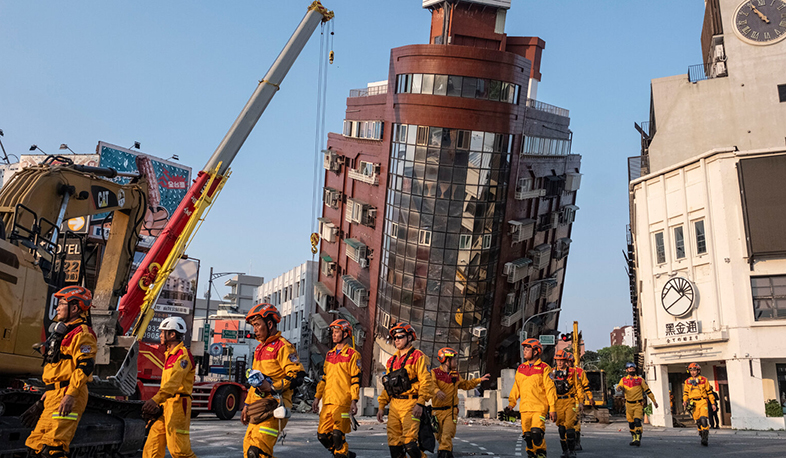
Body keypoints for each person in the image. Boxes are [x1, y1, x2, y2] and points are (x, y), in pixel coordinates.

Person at [24, 286, 98, 458]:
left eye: (61, 303)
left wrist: (70, 395)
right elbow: (59, 367)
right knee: (34, 447)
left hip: (68, 393)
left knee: (53, 450)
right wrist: (49, 393)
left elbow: (85, 366)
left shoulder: (83, 334)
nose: (57, 308)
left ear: (74, 308)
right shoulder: (64, 333)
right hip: (54, 394)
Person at [241, 303, 306, 458]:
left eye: (257, 325)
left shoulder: (283, 347)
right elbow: (255, 381)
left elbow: (298, 376)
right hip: (258, 407)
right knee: (249, 451)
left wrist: (272, 388)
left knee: (256, 452)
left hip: (275, 407)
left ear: (269, 324)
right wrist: (247, 405)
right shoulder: (259, 349)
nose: (254, 329)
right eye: (253, 326)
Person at [142, 317, 198, 458]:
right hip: (165, 405)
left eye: (163, 332)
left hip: (178, 406)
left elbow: (173, 383)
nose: (160, 335)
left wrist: (155, 400)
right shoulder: (170, 355)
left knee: (179, 451)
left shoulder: (182, 356)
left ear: (172, 334)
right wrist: (159, 402)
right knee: (152, 447)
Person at [377, 322, 434, 458]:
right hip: (395, 406)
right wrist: (381, 406)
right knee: (394, 446)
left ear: (409, 338)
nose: (396, 340)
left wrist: (420, 403)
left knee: (410, 445)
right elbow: (388, 386)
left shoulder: (418, 357)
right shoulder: (391, 361)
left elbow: (426, 382)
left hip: (411, 404)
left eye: (400, 337)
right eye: (395, 338)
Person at [312, 319, 361, 458]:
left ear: (346, 333)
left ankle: (341, 454)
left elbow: (355, 380)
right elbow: (324, 379)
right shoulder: (329, 355)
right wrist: (317, 398)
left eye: (337, 332)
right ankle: (343, 454)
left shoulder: (353, 355)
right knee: (322, 435)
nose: (334, 335)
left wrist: (354, 400)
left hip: (343, 401)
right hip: (328, 402)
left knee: (337, 434)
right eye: (333, 332)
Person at [431, 347, 490, 458]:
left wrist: (478, 380)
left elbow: (466, 385)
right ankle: (446, 450)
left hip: (450, 411)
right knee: (439, 436)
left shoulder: (455, 375)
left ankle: (444, 453)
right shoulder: (435, 373)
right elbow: (430, 385)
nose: (456, 362)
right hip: (436, 412)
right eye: (453, 359)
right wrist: (437, 391)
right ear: (446, 360)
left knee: (447, 434)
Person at [506, 338, 557, 458]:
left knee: (536, 433)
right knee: (528, 436)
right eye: (524, 349)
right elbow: (516, 388)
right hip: (524, 409)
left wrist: (553, 408)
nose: (524, 351)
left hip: (539, 408)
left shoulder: (545, 368)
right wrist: (511, 404)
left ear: (535, 351)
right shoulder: (521, 368)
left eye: (527, 349)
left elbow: (550, 389)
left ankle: (541, 453)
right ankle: (531, 454)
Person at [616, 362, 658, 447]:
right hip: (628, 405)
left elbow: (647, 391)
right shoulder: (623, 380)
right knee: (631, 423)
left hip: (638, 404)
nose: (632, 370)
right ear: (627, 370)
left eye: (633, 369)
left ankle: (638, 438)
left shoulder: (640, 380)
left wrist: (654, 401)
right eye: (630, 369)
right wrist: (619, 388)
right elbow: (619, 386)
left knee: (637, 421)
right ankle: (634, 438)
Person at [550, 350, 583, 458]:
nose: (559, 363)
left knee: (569, 425)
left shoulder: (573, 372)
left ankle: (572, 450)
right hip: (558, 402)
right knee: (561, 427)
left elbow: (578, 387)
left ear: (566, 361)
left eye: (562, 360)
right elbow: (548, 388)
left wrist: (581, 401)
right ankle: (565, 450)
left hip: (570, 401)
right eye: (558, 360)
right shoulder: (552, 372)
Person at [682, 363, 716, 446]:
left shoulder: (704, 380)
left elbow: (709, 392)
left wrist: (713, 403)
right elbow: (685, 393)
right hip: (693, 402)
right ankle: (701, 433)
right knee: (698, 421)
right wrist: (685, 401)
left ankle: (705, 437)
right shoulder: (687, 382)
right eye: (691, 371)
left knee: (703, 419)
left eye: (694, 370)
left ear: (698, 371)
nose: (693, 372)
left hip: (703, 401)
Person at [566, 353, 592, 451]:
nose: (566, 364)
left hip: (576, 400)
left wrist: (590, 398)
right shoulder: (560, 372)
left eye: (568, 361)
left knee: (574, 421)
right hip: (563, 401)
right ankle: (568, 443)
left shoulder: (579, 372)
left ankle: (576, 442)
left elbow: (586, 385)